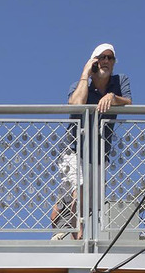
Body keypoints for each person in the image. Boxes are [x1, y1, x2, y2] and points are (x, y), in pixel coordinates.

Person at [52, 44, 132, 240]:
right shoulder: (81, 84)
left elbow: (129, 102)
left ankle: (63, 213)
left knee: (91, 199)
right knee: (78, 188)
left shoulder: (119, 82)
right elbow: (76, 104)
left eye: (110, 58)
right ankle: (74, 234)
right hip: (74, 148)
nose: (106, 61)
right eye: (101, 57)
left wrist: (112, 97)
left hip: (99, 152)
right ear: (94, 61)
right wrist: (85, 74)